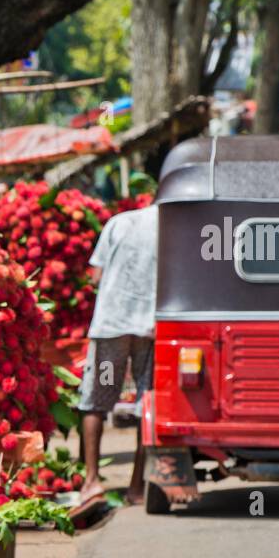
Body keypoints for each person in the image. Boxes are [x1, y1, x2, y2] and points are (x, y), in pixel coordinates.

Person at [76, 203, 158, 506]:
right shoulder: (177, 226)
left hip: (112, 327)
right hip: (151, 329)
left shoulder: (119, 222)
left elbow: (96, 277)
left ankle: (92, 482)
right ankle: (137, 487)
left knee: (97, 399)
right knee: (145, 401)